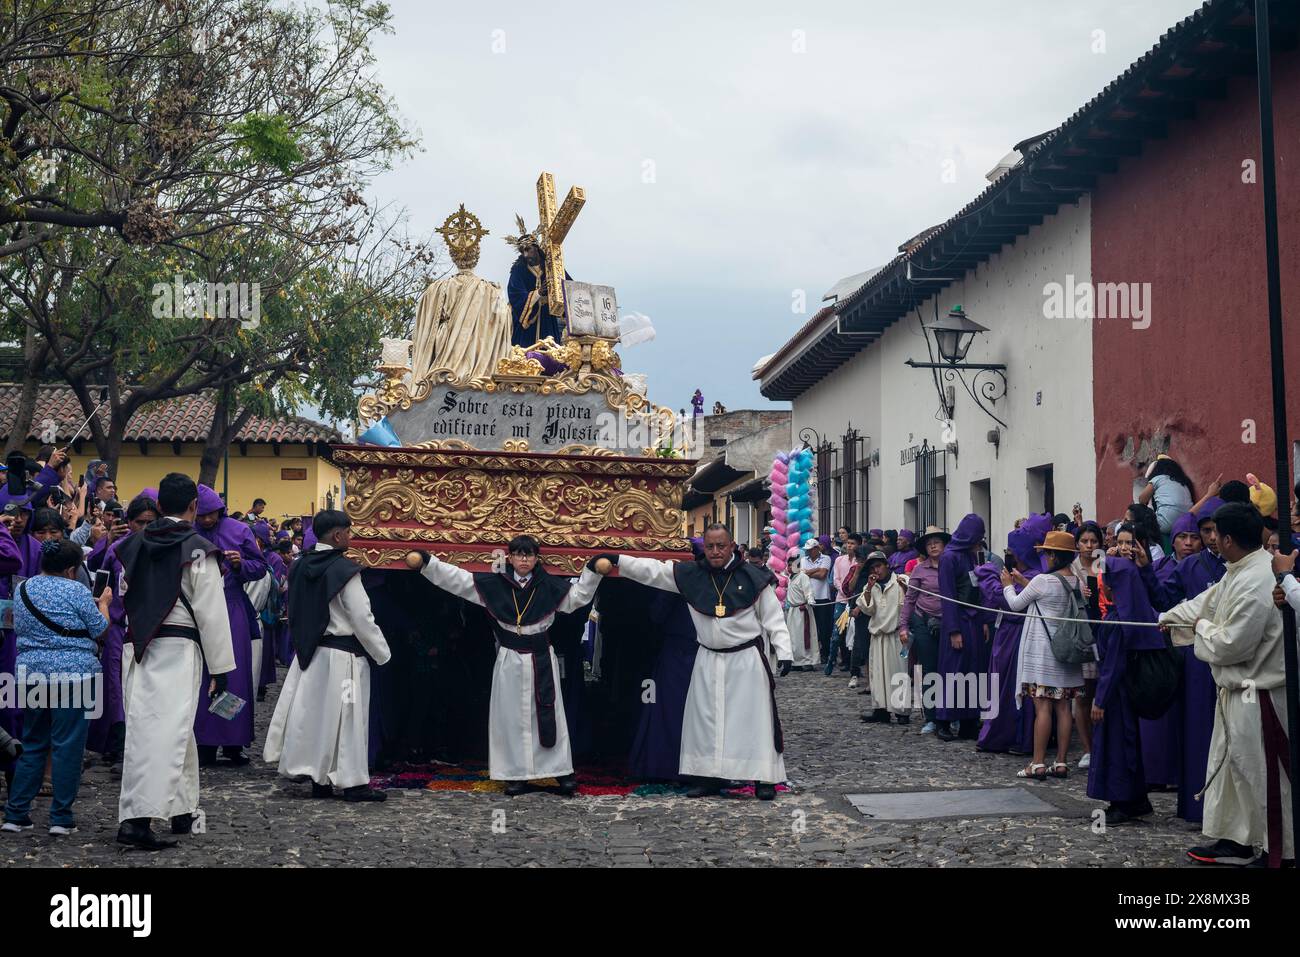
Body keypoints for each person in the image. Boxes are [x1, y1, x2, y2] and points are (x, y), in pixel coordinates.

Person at [410, 535, 606, 795]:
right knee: (510, 716)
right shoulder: (494, 584)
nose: (524, 560)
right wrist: (428, 563)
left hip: (541, 658)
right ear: (509, 557)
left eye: (529, 555)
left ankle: (559, 771)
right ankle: (516, 774)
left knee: (549, 713)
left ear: (537, 558)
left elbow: (579, 596)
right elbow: (458, 580)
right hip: (509, 658)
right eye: (518, 554)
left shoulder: (550, 586)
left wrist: (593, 571)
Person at [611, 523, 792, 800]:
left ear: (732, 546)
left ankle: (763, 778)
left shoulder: (754, 577)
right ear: (704, 548)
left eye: (721, 546)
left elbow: (773, 618)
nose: (716, 551)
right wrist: (619, 561)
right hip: (707, 657)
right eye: (710, 546)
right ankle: (707, 777)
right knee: (705, 722)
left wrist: (785, 651)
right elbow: (654, 572)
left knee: (752, 720)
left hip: (745, 660)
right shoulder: (691, 574)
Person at [1161, 503, 1291, 867]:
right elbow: (1206, 602)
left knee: (1263, 775)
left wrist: (1199, 627)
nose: (1211, 539)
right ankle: (1238, 839)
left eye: (1215, 533)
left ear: (1229, 539)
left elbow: (1232, 644)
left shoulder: (1260, 579)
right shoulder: (1238, 570)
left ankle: (1278, 849)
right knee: (1234, 771)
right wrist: (1169, 618)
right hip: (1236, 694)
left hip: (1259, 695)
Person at [115, 473, 235, 850]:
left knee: (165, 729)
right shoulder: (197, 548)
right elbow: (211, 612)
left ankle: (183, 809)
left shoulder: (134, 543)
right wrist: (222, 668)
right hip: (178, 648)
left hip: (138, 647)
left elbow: (123, 590)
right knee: (161, 734)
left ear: (159, 504)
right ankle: (137, 819)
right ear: (194, 507)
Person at [264, 511, 390, 801]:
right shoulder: (345, 571)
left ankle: (318, 778)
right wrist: (382, 653)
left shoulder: (298, 566)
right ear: (337, 536)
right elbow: (361, 617)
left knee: (316, 717)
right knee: (349, 717)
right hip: (344, 657)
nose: (351, 536)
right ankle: (353, 782)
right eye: (348, 531)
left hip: (311, 654)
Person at [1, 540, 110, 836]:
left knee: (33, 743)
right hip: (74, 676)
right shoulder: (76, 590)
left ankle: (16, 814)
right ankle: (61, 818)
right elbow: (101, 629)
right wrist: (104, 604)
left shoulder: (22, 589)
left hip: (32, 674)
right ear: (71, 570)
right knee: (67, 746)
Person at [1001, 530, 1084, 780]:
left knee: (1043, 708)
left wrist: (1007, 586)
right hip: (1067, 652)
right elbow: (1045, 598)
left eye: (1047, 553)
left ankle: (1037, 763)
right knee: (1064, 708)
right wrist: (1022, 583)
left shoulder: (1041, 581)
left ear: (1052, 555)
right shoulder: (1075, 580)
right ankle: (1060, 761)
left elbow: (1016, 604)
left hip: (1043, 654)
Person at [193, 484, 266, 766]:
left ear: (220, 511)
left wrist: (240, 565)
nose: (207, 520)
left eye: (212, 515)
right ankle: (205, 742)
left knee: (234, 676)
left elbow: (260, 567)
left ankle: (234, 742)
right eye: (202, 515)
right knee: (204, 676)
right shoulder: (190, 533)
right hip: (199, 609)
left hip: (232, 606)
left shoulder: (239, 530)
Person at [1087, 556, 1163, 825]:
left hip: (1116, 696)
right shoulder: (1126, 615)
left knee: (1117, 747)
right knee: (1124, 745)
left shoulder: (1119, 620)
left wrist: (1100, 700)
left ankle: (1123, 800)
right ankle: (1135, 799)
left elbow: (1113, 665)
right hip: (1122, 693)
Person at [85, 495, 158, 766]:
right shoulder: (116, 550)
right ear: (129, 522)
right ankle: (118, 743)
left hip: (151, 627)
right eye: (140, 522)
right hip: (119, 627)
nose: (146, 527)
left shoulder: (163, 550)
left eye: (151, 522)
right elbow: (99, 580)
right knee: (117, 686)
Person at [975, 514, 1051, 754]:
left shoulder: (1035, 575)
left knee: (1014, 687)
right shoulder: (1026, 572)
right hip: (1008, 632)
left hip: (1019, 634)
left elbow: (1009, 602)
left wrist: (992, 578)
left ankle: (1013, 735)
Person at [1172, 497, 1226, 824]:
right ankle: (1196, 805)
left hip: (1230, 659)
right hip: (1196, 661)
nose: (1210, 537)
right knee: (1197, 731)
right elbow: (1163, 596)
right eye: (1205, 530)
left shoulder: (1238, 567)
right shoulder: (1189, 567)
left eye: (1215, 530)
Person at [936, 514, 987, 741]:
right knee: (953, 672)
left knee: (974, 671)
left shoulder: (973, 555)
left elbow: (980, 590)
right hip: (958, 621)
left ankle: (969, 721)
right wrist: (953, 630)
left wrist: (984, 620)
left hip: (974, 621)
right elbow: (948, 596)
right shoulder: (949, 558)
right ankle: (944, 721)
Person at [900, 526, 948, 734]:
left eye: (937, 542)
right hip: (923, 621)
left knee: (949, 670)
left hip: (949, 623)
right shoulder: (919, 570)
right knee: (929, 669)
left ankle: (950, 715)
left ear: (944, 545)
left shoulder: (952, 567)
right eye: (929, 544)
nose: (933, 546)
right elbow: (910, 600)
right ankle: (931, 717)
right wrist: (903, 625)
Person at [857, 551, 909, 725]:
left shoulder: (900, 581)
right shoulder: (871, 586)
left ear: (887, 565)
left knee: (898, 672)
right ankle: (881, 710)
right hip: (878, 635)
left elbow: (908, 603)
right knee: (878, 674)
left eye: (879, 566)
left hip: (896, 635)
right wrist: (869, 589)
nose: (876, 570)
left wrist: (905, 588)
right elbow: (868, 610)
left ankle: (902, 711)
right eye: (873, 567)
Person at [1071, 521, 1105, 769]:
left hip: (1104, 633)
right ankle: (1087, 749)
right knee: (1082, 695)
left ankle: (1103, 747)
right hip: (1082, 635)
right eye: (1085, 541)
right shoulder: (1070, 569)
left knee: (1102, 694)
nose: (1089, 546)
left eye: (1094, 541)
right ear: (1077, 544)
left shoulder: (1103, 563)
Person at [1137, 454, 1196, 538]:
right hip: (1187, 524)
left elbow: (1141, 499)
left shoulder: (1158, 478)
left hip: (1165, 525)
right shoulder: (1184, 482)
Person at [800, 539, 833, 669]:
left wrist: (809, 572)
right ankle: (813, 653)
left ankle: (825, 653)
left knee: (824, 627)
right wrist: (816, 570)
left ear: (816, 549)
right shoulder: (804, 559)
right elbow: (803, 576)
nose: (808, 552)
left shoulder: (826, 558)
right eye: (807, 550)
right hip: (809, 596)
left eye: (810, 549)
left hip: (823, 596)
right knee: (809, 627)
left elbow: (823, 575)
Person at [784, 555, 816, 671]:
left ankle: (807, 661)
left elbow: (808, 591)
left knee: (803, 637)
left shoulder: (803, 577)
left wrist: (810, 600)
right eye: (788, 565)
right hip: (792, 610)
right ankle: (796, 662)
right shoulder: (790, 578)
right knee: (793, 637)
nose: (789, 567)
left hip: (802, 610)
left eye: (791, 565)